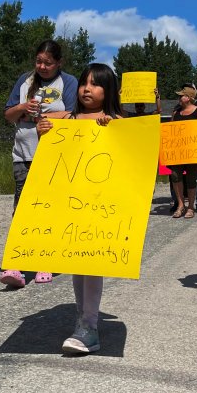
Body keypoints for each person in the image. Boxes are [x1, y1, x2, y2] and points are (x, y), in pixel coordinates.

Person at [36, 63, 123, 355]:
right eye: (84, 82)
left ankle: (89, 325)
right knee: (76, 262)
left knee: (92, 264)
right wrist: (42, 129)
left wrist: (115, 128)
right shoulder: (67, 118)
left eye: (96, 84)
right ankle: (82, 317)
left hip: (99, 205)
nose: (87, 88)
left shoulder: (113, 120)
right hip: (71, 202)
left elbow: (128, 152)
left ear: (109, 90)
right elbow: (48, 143)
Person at [1, 40, 78, 288]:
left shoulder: (68, 82)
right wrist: (22, 107)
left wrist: (37, 116)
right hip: (24, 153)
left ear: (59, 63)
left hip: (55, 154)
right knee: (22, 207)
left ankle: (47, 258)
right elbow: (8, 115)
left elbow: (72, 114)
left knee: (50, 208)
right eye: (39, 61)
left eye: (48, 63)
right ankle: (18, 260)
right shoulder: (24, 81)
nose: (42, 66)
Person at [168, 85, 197, 219]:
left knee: (192, 178)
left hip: (192, 152)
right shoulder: (176, 113)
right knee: (175, 176)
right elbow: (170, 130)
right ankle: (181, 205)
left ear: (188, 97)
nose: (179, 98)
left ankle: (191, 207)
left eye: (181, 95)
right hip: (177, 152)